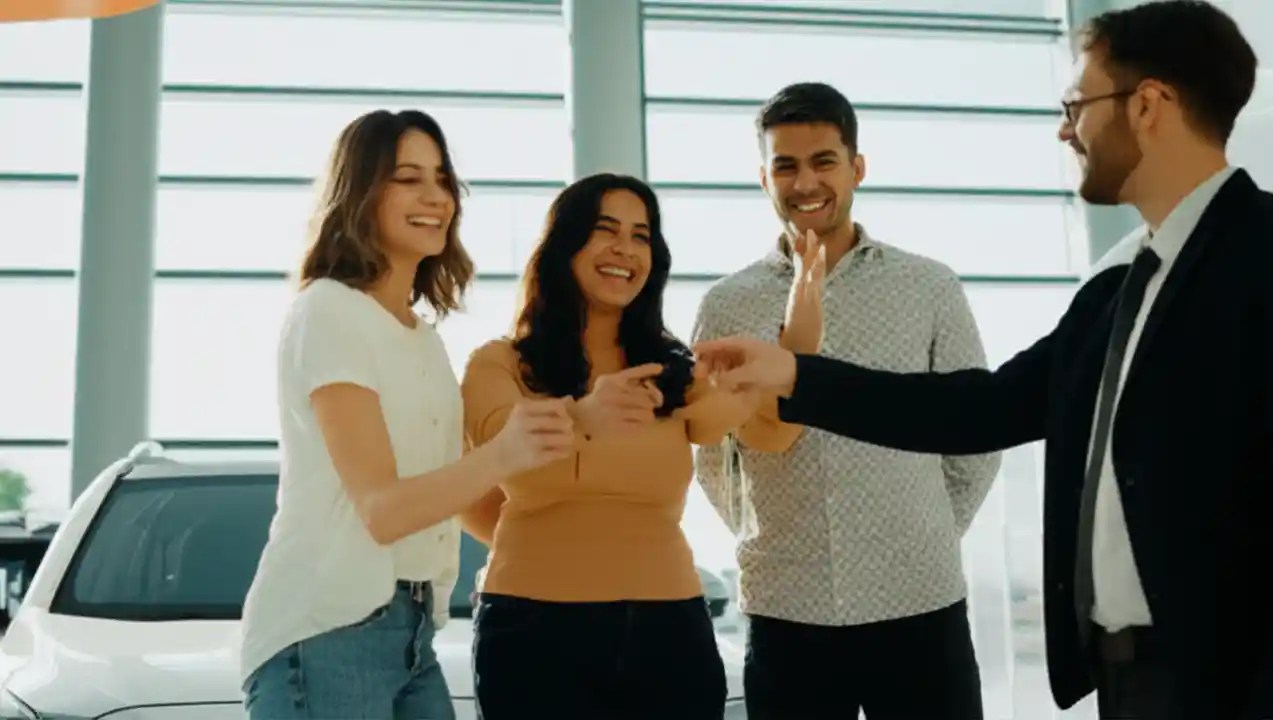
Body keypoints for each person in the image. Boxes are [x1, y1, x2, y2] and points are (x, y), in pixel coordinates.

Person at [692, 2, 1273, 719]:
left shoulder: (1267, 253)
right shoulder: (1118, 290)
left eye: (1077, 105)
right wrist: (794, 375)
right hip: (1138, 678)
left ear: (1148, 105)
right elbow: (981, 409)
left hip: (1243, 672)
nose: (1065, 129)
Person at [238, 109, 575, 719]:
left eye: (443, 178)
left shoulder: (420, 337)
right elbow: (384, 509)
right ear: (360, 192)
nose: (435, 197)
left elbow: (454, 493)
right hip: (326, 629)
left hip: (412, 632)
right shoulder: (329, 312)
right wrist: (503, 454)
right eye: (408, 178)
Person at [691, 81, 1001, 720]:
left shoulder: (929, 287)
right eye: (786, 165)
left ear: (856, 167)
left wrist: (927, 531)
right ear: (764, 177)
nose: (804, 182)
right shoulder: (728, 304)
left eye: (822, 161)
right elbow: (713, 456)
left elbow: (975, 433)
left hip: (921, 600)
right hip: (786, 607)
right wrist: (765, 532)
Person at [458, 172, 810, 720]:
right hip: (533, 631)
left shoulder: (675, 372)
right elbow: (504, 454)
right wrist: (584, 414)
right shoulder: (499, 364)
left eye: (641, 235)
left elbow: (774, 427)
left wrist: (802, 319)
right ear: (564, 244)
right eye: (606, 230)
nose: (626, 248)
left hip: (669, 632)